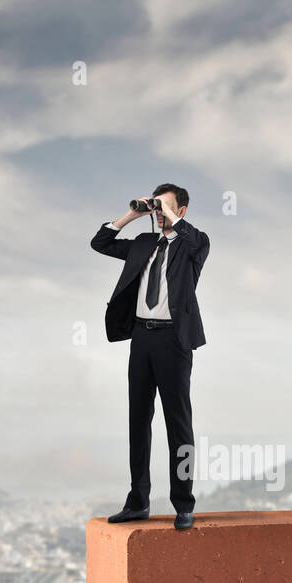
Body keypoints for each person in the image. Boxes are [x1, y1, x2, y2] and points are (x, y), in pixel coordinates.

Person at [90, 183, 210, 530]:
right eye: (156, 208)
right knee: (138, 421)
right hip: (141, 338)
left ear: (182, 211)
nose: (159, 214)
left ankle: (184, 504)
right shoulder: (143, 244)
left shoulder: (193, 245)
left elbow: (195, 240)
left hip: (174, 341)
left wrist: (170, 215)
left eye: (166, 207)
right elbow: (100, 243)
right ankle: (138, 501)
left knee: (178, 424)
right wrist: (134, 213)